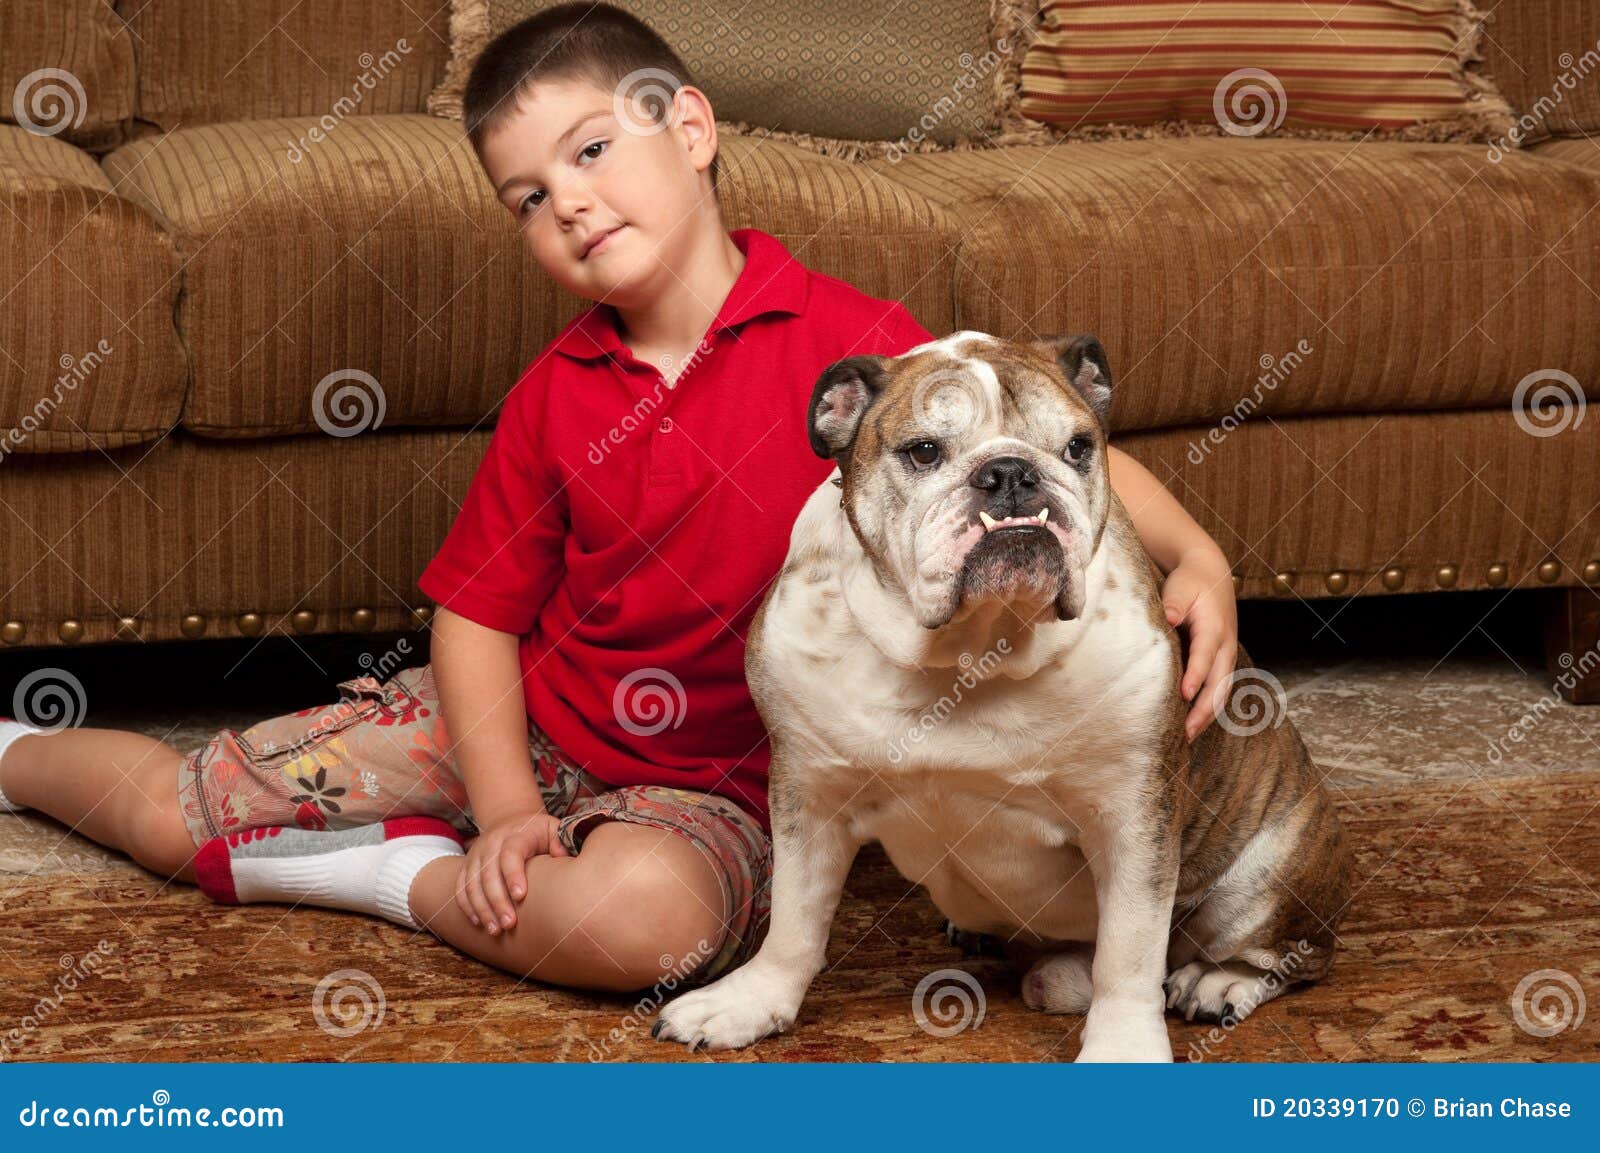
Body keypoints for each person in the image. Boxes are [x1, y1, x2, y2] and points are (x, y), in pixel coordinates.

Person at [0, 3, 1238, 994]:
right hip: (527, 722)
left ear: (689, 127)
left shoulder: (857, 349)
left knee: (642, 933)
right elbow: (479, 616)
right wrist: (505, 811)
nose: (570, 202)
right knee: (176, 817)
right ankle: (17, 753)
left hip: (712, 791)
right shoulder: (557, 393)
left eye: (592, 151)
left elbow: (1033, 442)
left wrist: (1196, 555)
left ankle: (391, 876)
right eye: (529, 198)